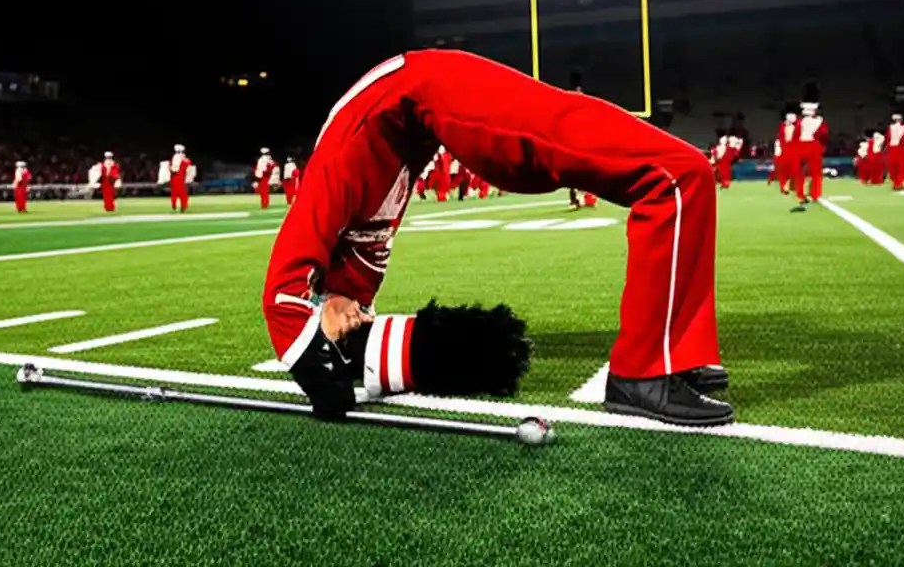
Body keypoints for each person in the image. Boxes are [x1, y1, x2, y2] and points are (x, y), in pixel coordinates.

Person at [261, 50, 732, 427]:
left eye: (340, 327)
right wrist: (349, 323)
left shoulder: (337, 168)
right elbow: (355, 278)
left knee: (677, 173)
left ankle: (653, 365)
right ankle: (664, 358)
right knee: (679, 173)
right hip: (432, 105)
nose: (353, 321)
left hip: (437, 93)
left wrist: (311, 366)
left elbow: (281, 291)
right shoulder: (358, 246)